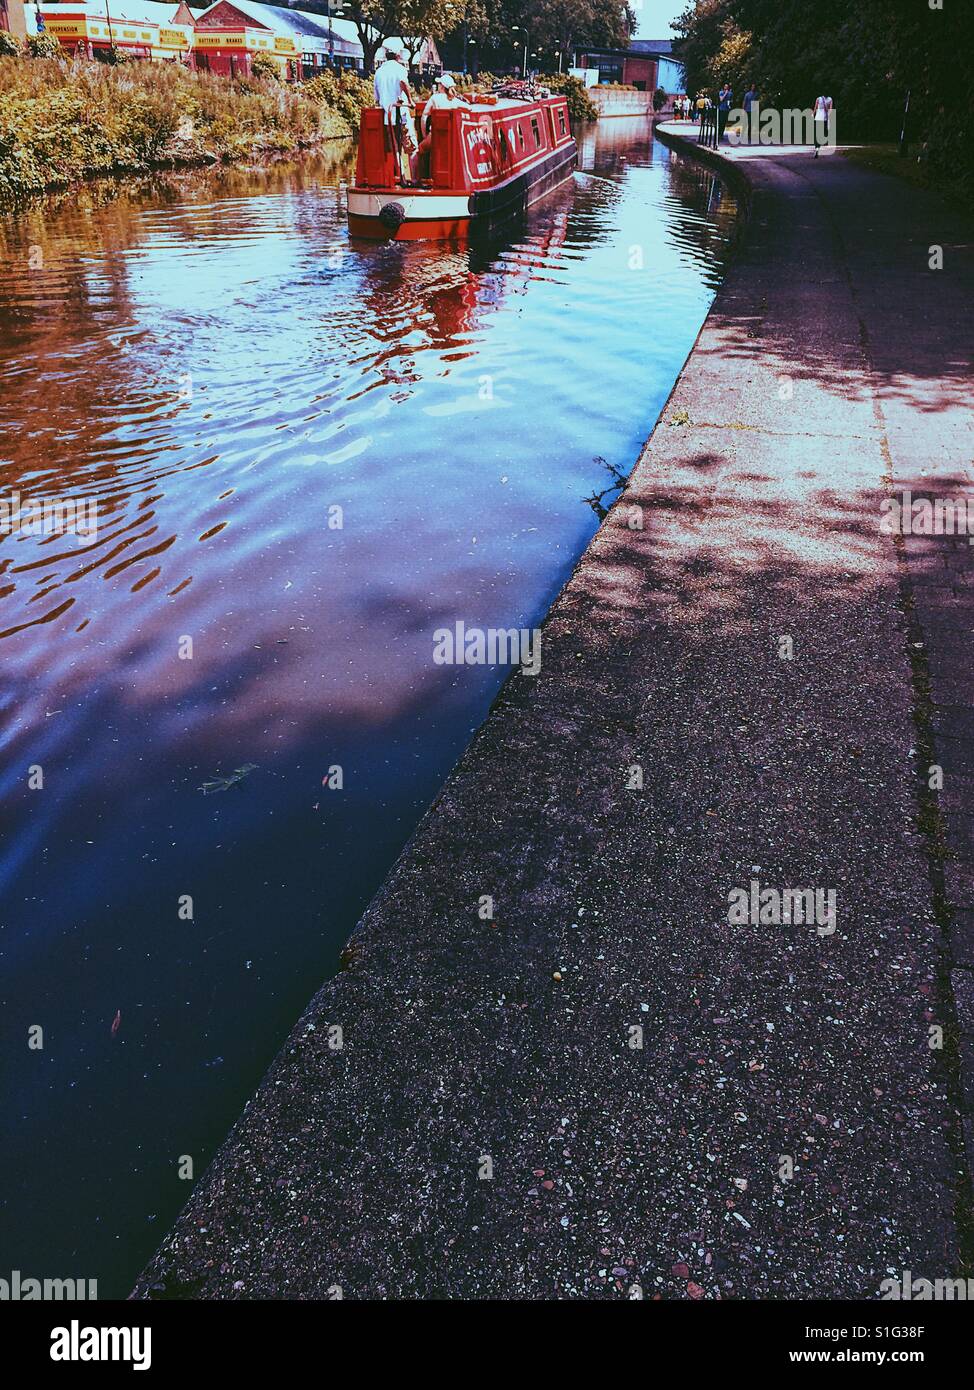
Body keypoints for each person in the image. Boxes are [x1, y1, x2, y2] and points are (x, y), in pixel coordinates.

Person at [374, 42, 417, 183]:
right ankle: (414, 180)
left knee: (395, 149)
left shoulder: (379, 72)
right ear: (398, 55)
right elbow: (403, 82)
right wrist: (410, 100)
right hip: (401, 115)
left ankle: (401, 179)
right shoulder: (400, 69)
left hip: (387, 118)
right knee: (411, 148)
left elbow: (377, 97)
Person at [416, 72, 462, 178]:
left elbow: (424, 117)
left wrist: (424, 135)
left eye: (439, 84)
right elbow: (469, 108)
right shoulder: (455, 100)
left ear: (442, 86)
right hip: (451, 137)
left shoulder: (435, 98)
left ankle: (420, 179)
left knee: (419, 150)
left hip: (436, 135)